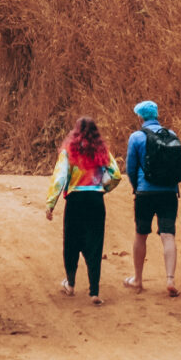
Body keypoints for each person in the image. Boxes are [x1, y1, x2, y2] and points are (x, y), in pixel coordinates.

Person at [44, 115, 121, 305]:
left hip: (75, 200)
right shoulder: (102, 151)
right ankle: (94, 292)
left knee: (71, 243)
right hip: (96, 200)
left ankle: (70, 285)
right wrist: (105, 188)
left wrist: (50, 203)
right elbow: (116, 175)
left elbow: (59, 178)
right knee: (95, 245)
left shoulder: (68, 152)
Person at [123, 100, 181, 297]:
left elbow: (130, 168)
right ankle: (170, 279)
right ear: (156, 115)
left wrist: (135, 187)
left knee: (141, 234)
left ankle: (138, 279)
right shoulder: (171, 135)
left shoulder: (137, 137)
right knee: (168, 235)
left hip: (145, 192)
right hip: (169, 192)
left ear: (140, 117)